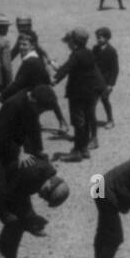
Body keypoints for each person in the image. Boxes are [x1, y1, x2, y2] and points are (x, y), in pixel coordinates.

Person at [0, 87, 48, 221]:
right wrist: (20, 154)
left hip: (10, 145)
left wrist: (38, 150)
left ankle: (28, 214)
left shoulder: (31, 105)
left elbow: (34, 130)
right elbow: (4, 135)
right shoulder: (13, 105)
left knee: (23, 176)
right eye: (41, 109)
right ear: (33, 100)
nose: (41, 112)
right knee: (0, 185)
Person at [54, 28, 106, 161]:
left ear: (74, 41)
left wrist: (54, 79)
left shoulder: (76, 54)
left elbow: (67, 67)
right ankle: (84, 149)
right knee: (87, 120)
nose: (68, 44)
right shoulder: (88, 52)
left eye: (69, 41)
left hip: (78, 94)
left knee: (78, 122)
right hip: (91, 92)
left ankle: (77, 151)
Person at [92, 27, 120, 142]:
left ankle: (110, 119)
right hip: (95, 80)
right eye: (97, 37)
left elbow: (115, 69)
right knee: (92, 101)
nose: (99, 39)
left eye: (102, 37)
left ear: (107, 38)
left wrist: (111, 84)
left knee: (104, 100)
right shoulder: (95, 49)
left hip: (106, 81)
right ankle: (91, 120)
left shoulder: (111, 51)